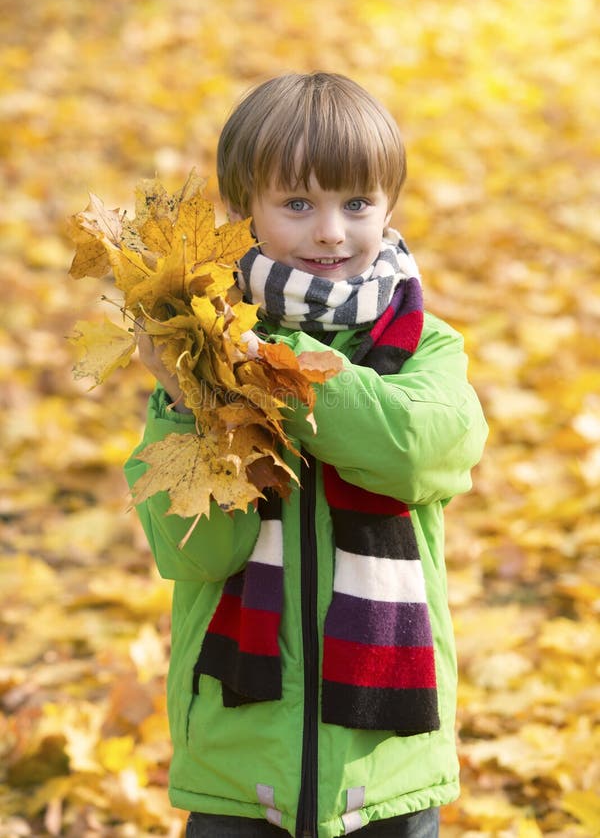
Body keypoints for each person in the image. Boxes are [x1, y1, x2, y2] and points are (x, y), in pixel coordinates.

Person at [125, 72, 488, 838]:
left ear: (389, 207)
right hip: (238, 755)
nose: (330, 231)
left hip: (386, 759)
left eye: (356, 203)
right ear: (241, 213)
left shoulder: (426, 348)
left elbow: (411, 453)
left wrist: (273, 365)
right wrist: (198, 401)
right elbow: (193, 552)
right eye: (298, 204)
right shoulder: (203, 366)